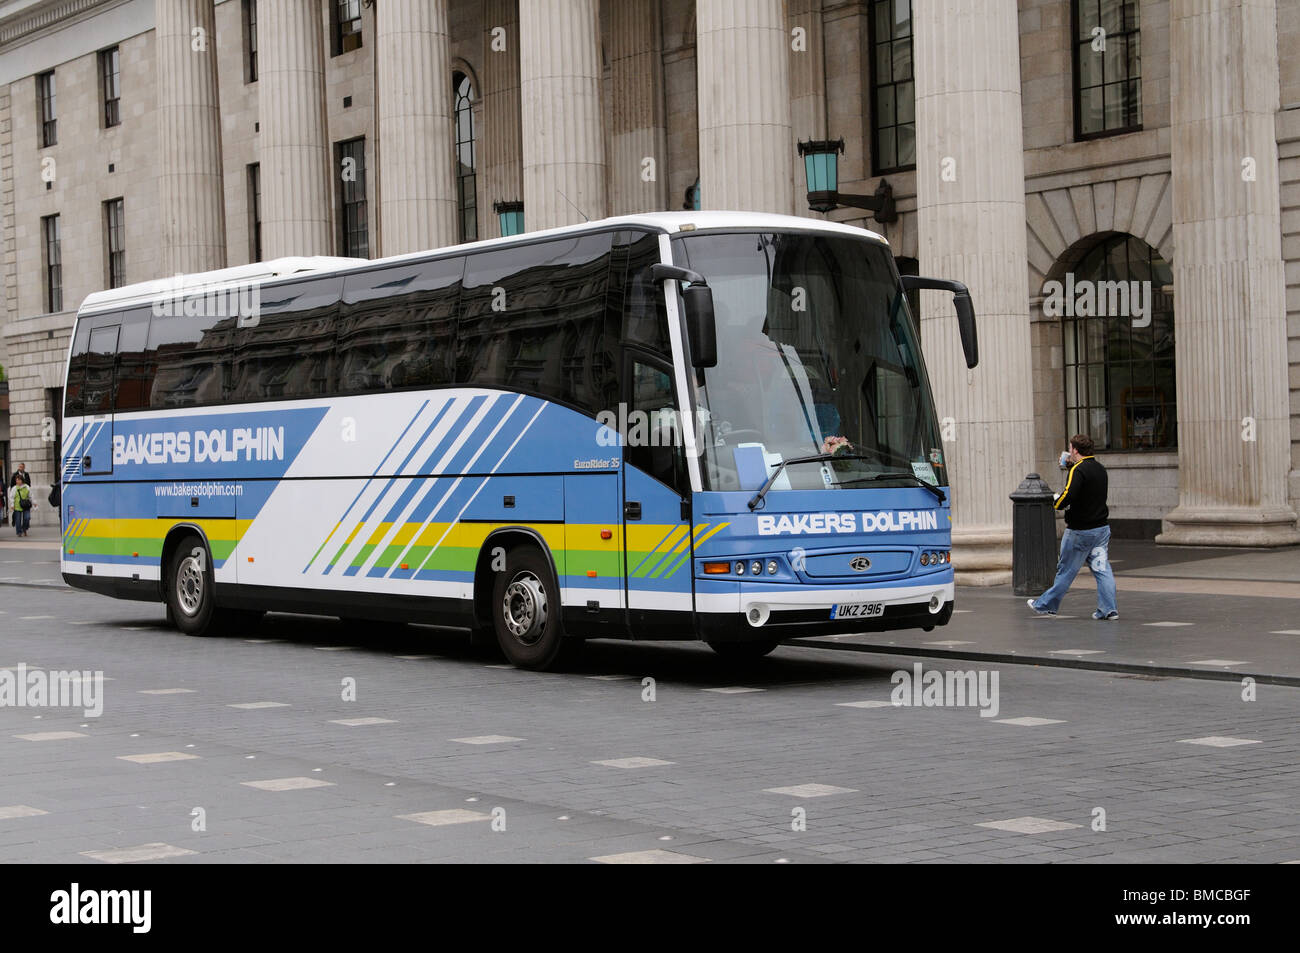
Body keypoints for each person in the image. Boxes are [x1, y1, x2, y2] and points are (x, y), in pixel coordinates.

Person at [1027, 433, 1118, 620]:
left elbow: (1068, 495)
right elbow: (1089, 493)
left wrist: (1055, 502)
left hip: (1080, 530)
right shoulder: (1100, 468)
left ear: (1075, 450)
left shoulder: (1078, 470)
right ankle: (1109, 609)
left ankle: (1045, 605)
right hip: (1101, 529)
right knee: (1102, 570)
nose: (1069, 451)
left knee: (1066, 570)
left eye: (1070, 448)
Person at [11, 474, 33, 538]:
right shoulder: (14, 488)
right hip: (17, 506)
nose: (17, 481)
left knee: (27, 518)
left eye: (19, 480)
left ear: (22, 480)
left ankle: (24, 528)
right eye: (16, 480)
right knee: (18, 520)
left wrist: (34, 502)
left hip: (26, 505)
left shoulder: (27, 487)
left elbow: (31, 495)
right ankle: (19, 532)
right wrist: (12, 505)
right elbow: (11, 497)